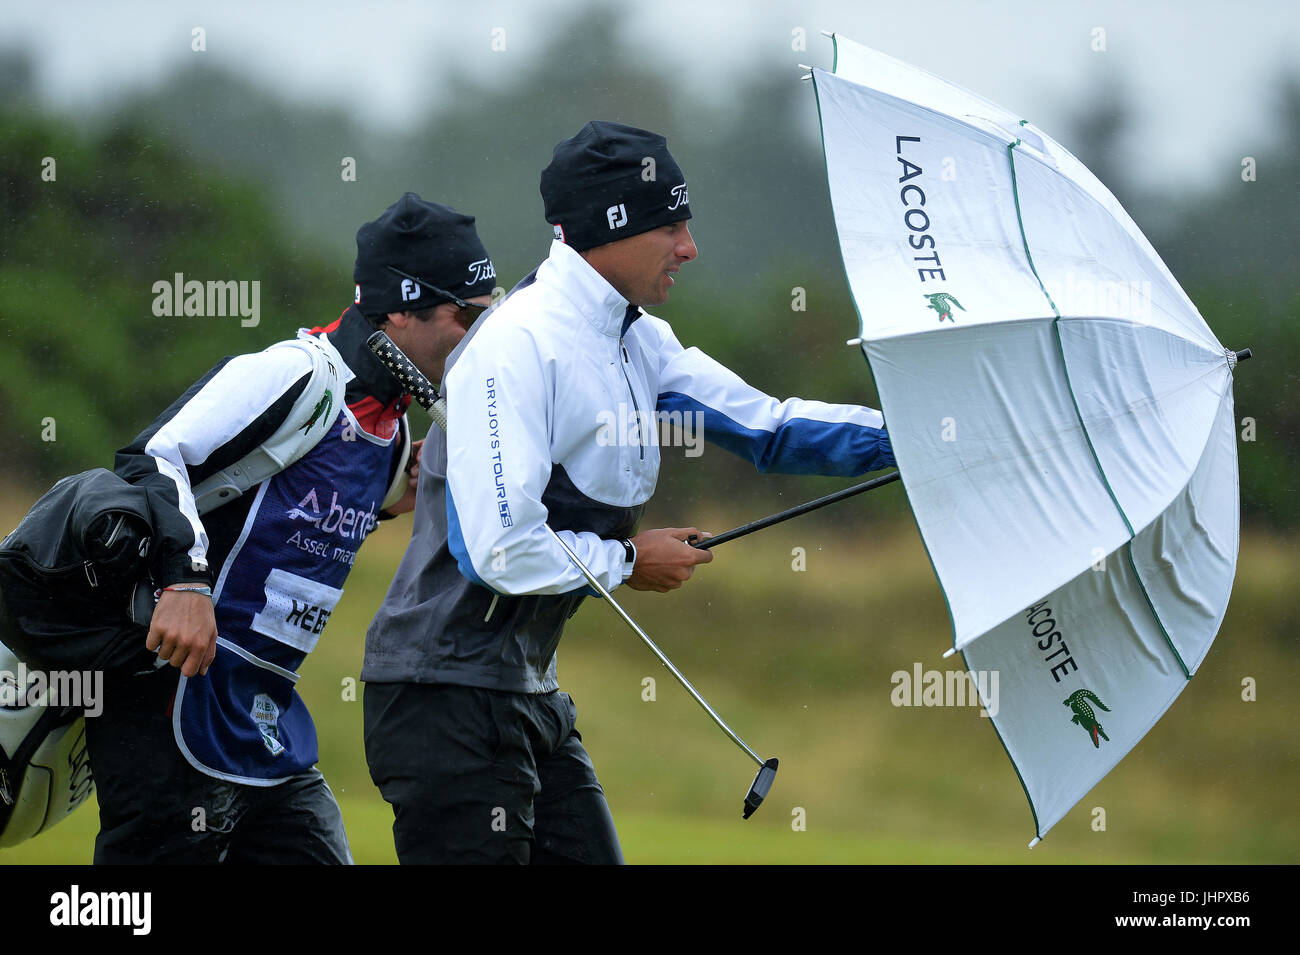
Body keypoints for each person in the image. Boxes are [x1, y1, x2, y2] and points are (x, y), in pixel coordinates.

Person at [362, 122, 896, 865]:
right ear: (610, 228)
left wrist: (912, 435)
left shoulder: (637, 340)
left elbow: (771, 429)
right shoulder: (518, 345)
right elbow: (496, 548)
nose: (689, 247)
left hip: (525, 692)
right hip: (439, 698)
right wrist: (627, 560)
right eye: (671, 225)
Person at [86, 193, 496, 864]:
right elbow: (152, 456)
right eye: (466, 317)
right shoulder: (299, 375)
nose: (480, 339)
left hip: (264, 721)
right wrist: (185, 582)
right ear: (401, 307)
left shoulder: (393, 430)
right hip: (169, 697)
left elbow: (317, 497)